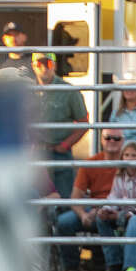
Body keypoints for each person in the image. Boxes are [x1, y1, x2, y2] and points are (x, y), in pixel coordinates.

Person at [52, 127, 123, 271]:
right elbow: (75, 198)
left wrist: (103, 209)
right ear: (101, 140)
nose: (111, 141)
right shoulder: (90, 163)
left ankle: (114, 266)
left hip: (121, 207)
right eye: (108, 137)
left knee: (102, 218)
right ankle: (71, 268)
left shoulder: (130, 163)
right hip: (94, 207)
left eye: (116, 138)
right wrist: (83, 215)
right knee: (63, 222)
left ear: (123, 141)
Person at [32, 52, 88, 199]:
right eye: (39, 64)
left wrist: (65, 145)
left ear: (54, 65)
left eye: (48, 63)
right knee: (36, 199)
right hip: (34, 153)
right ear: (33, 66)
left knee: (64, 201)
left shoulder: (69, 91)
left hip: (60, 153)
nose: (44, 68)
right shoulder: (27, 90)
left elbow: (84, 123)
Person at [96, 141, 136, 271]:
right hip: (122, 212)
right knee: (101, 219)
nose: (129, 159)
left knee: (133, 221)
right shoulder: (119, 176)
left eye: (134, 155)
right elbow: (114, 196)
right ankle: (114, 263)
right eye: (126, 155)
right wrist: (106, 209)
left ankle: (129, 266)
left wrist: (130, 214)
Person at [108, 82, 136, 148]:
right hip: (121, 154)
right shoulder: (115, 113)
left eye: (133, 86)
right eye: (126, 86)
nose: (129, 89)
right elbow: (111, 136)